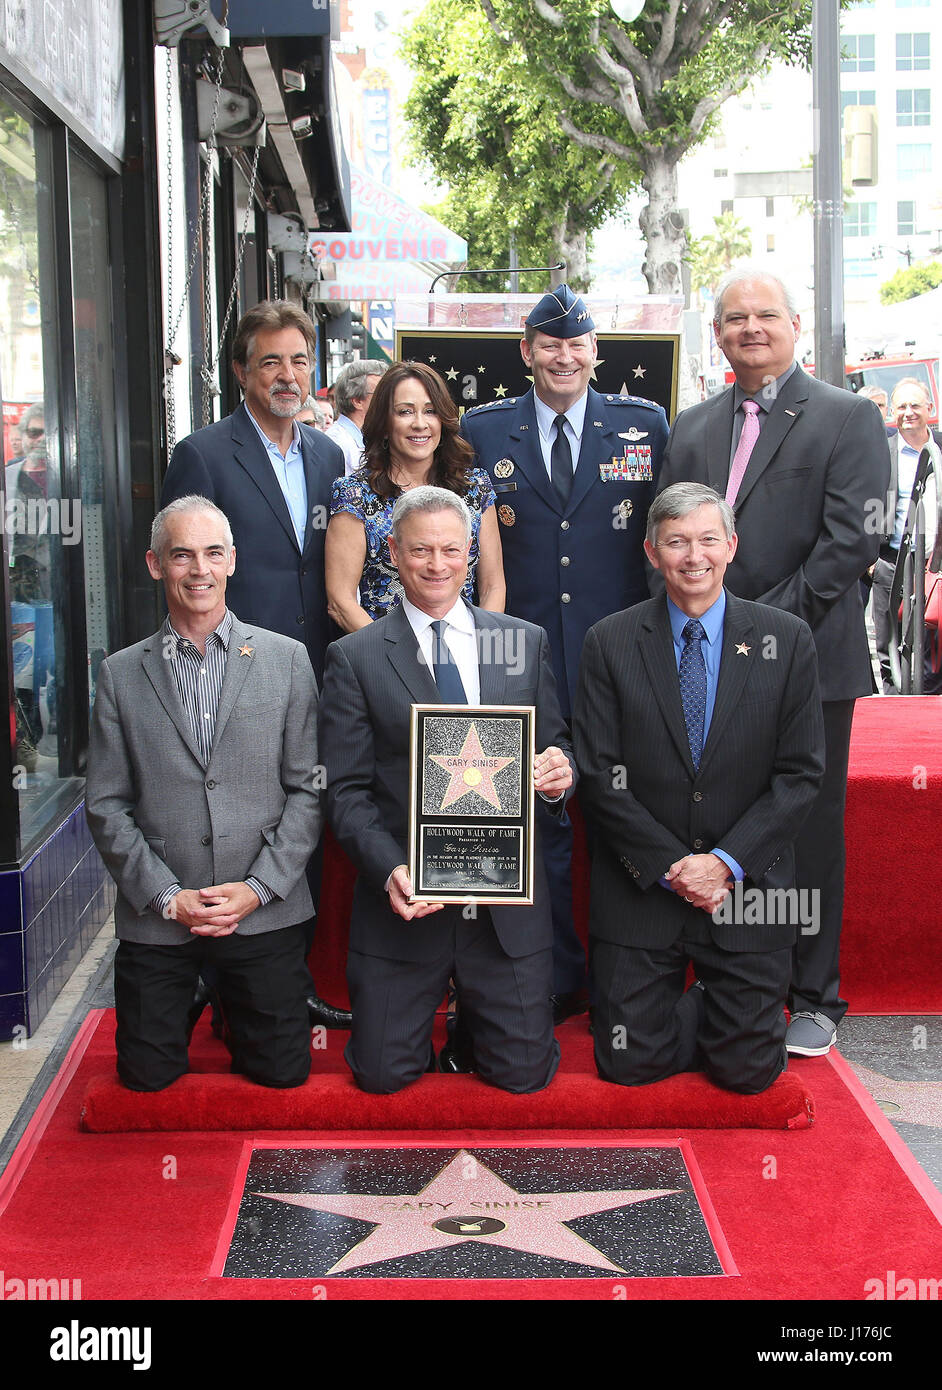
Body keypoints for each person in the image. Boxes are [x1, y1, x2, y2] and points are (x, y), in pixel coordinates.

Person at [655, 266, 890, 1058]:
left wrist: (759, 629)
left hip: (809, 660)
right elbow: (674, 538)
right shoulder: (689, 426)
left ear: (795, 325)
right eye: (733, 318)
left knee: (808, 828)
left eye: (765, 315)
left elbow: (851, 541)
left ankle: (814, 994)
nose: (750, 328)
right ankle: (736, 975)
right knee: (718, 815)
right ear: (716, 334)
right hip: (701, 657)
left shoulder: (846, 416)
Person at [319, 486, 574, 1095]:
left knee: (524, 1078)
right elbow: (345, 792)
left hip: (503, 906)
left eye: (451, 550)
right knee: (380, 1076)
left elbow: (558, 747)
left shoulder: (521, 641)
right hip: (408, 902)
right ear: (393, 553)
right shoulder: (354, 658)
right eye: (421, 551)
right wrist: (389, 870)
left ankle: (472, 1031)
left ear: (471, 553)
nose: (437, 565)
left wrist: (558, 776)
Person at [460, 284, 669, 1021]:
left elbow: (660, 549)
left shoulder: (644, 428)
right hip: (522, 667)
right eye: (549, 344)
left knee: (623, 819)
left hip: (621, 664)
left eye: (576, 344)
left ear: (595, 352)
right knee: (538, 823)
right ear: (526, 353)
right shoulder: (483, 434)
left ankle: (627, 985)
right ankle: (547, 983)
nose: (563, 356)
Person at [573, 483, 825, 1094]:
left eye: (709, 539)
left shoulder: (785, 639)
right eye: (677, 542)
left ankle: (731, 1010)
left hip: (747, 889)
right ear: (652, 552)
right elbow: (600, 774)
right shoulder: (608, 641)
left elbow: (801, 774)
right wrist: (672, 867)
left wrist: (724, 864)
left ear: (731, 546)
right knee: (629, 1065)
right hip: (643, 887)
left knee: (747, 1076)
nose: (694, 556)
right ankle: (692, 1011)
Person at [85, 497, 320, 1092]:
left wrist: (258, 887)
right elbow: (106, 803)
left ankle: (230, 1005)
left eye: (213, 553)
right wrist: (167, 896)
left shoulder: (288, 661)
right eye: (182, 554)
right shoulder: (119, 674)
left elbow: (309, 789)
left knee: (280, 1076)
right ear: (154, 564)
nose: (199, 569)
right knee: (145, 1080)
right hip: (161, 918)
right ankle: (196, 996)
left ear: (232, 561)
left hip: (262, 910)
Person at [159, 299, 349, 1030]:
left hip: (316, 672)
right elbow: (184, 571)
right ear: (241, 371)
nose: (287, 375)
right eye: (270, 360)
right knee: (233, 817)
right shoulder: (203, 454)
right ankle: (217, 977)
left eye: (299, 360)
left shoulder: (329, 455)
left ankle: (286, 975)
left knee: (302, 816)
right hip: (230, 674)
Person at [326, 360, 504, 631]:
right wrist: (397, 659)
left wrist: (479, 648)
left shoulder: (475, 488)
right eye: (405, 412)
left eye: (430, 411)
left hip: (465, 651)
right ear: (384, 423)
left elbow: (493, 586)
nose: (420, 424)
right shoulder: (354, 495)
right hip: (385, 659)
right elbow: (341, 601)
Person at [871, 377, 942, 694]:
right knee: (890, 647)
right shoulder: (880, 453)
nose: (908, 412)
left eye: (915, 405)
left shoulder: (939, 449)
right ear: (892, 413)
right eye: (901, 406)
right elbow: (864, 506)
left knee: (933, 646)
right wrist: (870, 563)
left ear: (930, 408)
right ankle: (894, 707)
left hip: (935, 566)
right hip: (891, 564)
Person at [325, 359, 388, 475]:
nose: (388, 400)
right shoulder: (338, 444)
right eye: (381, 394)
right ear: (357, 401)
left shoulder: (365, 439)